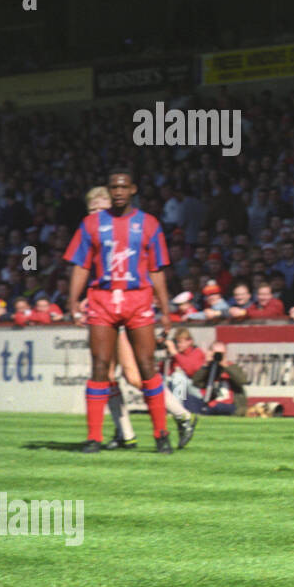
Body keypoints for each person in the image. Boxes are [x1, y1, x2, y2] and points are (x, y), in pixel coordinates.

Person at [64, 170, 177, 454]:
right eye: (113, 187)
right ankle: (94, 438)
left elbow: (157, 269)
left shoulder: (149, 224)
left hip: (138, 299)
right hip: (102, 299)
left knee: (146, 365)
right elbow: (81, 265)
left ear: (133, 190)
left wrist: (166, 309)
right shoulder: (91, 224)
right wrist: (72, 300)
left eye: (123, 187)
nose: (118, 192)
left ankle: (161, 434)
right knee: (100, 366)